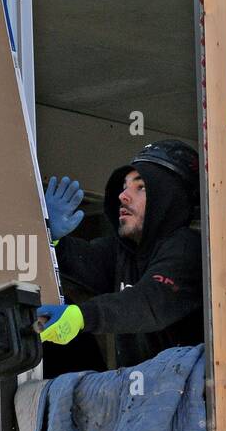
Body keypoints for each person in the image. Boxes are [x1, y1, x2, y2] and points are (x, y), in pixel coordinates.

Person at [36, 140, 204, 369]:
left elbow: (148, 303)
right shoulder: (123, 252)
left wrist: (82, 317)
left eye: (140, 187)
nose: (123, 196)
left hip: (187, 399)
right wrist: (51, 239)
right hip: (138, 399)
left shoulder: (188, 250)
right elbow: (81, 261)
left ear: (167, 197)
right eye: (124, 187)